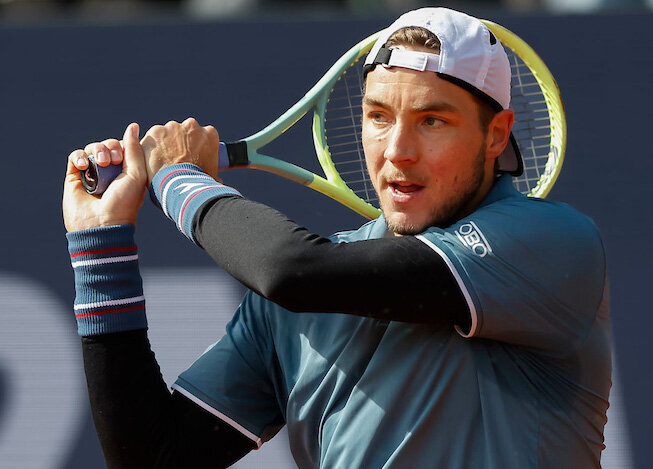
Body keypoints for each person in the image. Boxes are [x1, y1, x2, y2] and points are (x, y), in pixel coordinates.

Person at [63, 7, 611, 468]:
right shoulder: (288, 308)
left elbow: (292, 272)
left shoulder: (554, 243)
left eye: (432, 121)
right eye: (378, 116)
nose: (397, 149)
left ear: (496, 135)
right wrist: (101, 246)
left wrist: (178, 178)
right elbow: (151, 458)